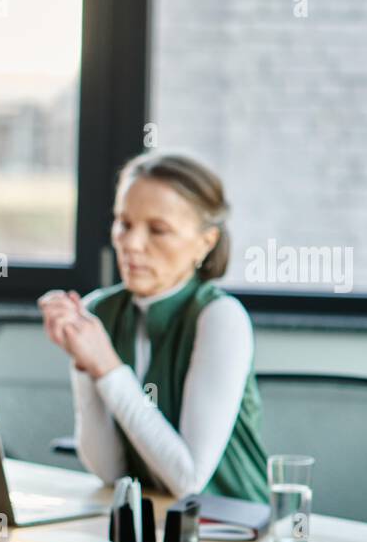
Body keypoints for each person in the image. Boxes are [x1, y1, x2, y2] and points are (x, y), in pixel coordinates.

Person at [39, 151, 269, 503]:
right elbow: (110, 470)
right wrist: (85, 366)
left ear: (205, 243)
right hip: (153, 527)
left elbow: (188, 480)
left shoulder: (220, 317)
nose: (130, 243)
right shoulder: (101, 310)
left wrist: (107, 367)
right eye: (124, 223)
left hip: (234, 530)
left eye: (158, 230)